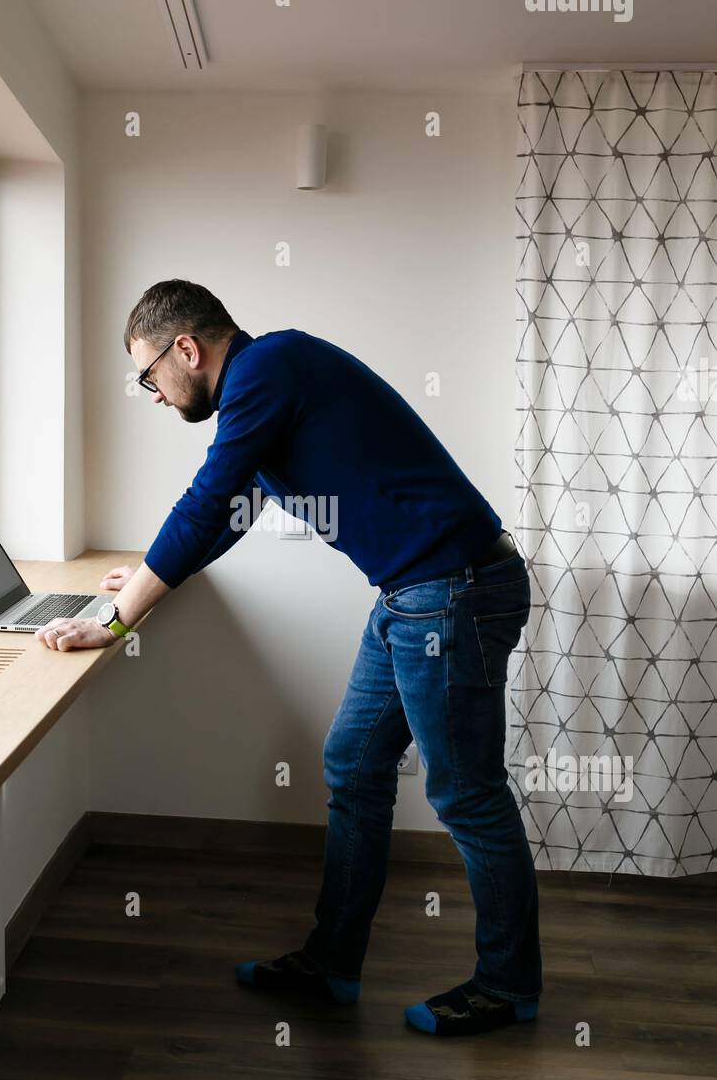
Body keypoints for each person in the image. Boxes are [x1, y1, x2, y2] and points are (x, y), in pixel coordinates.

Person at [36, 279, 541, 1037]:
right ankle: (331, 963)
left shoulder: (269, 370)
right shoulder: (267, 386)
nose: (151, 393)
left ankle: (508, 984)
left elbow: (209, 500)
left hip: (452, 592)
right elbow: (232, 512)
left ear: (186, 349)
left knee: (466, 793)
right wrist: (145, 571)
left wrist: (114, 622)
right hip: (417, 593)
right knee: (355, 767)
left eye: (148, 376)